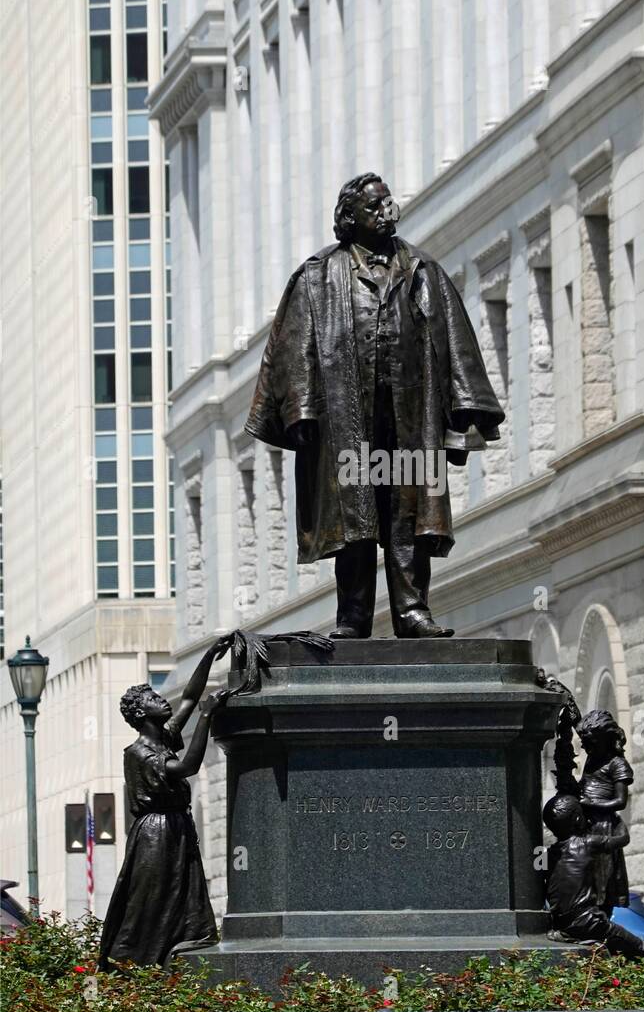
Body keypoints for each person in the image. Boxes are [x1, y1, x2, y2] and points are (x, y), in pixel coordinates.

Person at [244, 172, 505, 638]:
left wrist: (465, 411)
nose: (388, 211)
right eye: (375, 206)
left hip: (409, 415)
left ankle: (412, 610)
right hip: (348, 419)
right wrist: (300, 409)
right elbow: (295, 348)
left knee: (408, 513)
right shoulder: (318, 277)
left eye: (388, 202)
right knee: (356, 519)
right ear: (350, 218)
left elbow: (456, 345)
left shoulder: (423, 271)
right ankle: (353, 616)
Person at [98, 636, 232, 970]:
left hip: (175, 829)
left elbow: (189, 695)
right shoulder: (140, 753)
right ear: (143, 712)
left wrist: (211, 655)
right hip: (156, 836)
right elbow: (187, 767)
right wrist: (206, 718)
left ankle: (177, 961)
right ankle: (130, 965)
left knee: (183, 899)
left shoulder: (165, 738)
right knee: (153, 901)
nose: (163, 699)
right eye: (155, 697)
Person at [543, 793, 644, 960]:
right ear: (579, 820)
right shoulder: (587, 843)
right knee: (643, 949)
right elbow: (623, 839)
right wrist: (613, 816)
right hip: (589, 922)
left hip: (562, 924)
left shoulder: (548, 855)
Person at [576, 709, 634, 911]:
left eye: (589, 742)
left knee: (601, 884)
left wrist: (590, 803)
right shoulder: (592, 759)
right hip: (586, 824)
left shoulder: (617, 764)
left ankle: (600, 921)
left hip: (603, 828)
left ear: (603, 740)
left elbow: (620, 801)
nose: (584, 746)